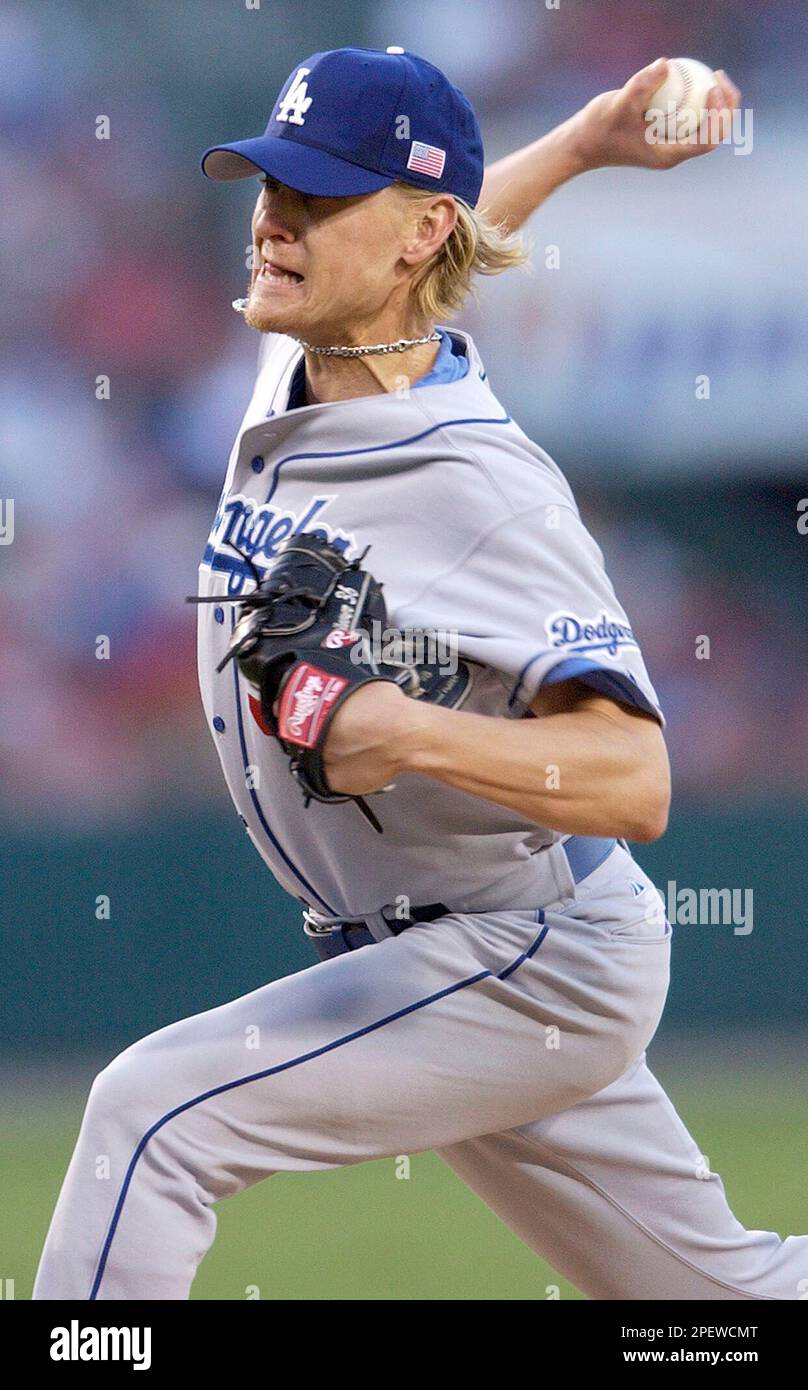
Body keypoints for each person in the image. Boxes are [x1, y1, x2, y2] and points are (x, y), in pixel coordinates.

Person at [34, 46, 807, 1303]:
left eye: (316, 198)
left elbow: (635, 776)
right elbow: (445, 239)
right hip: (458, 945)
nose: (274, 222)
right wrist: (586, 142)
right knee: (719, 1306)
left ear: (410, 238)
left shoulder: (480, 487)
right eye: (270, 183)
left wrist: (403, 730)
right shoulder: (316, 360)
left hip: (531, 947)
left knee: (153, 1120)